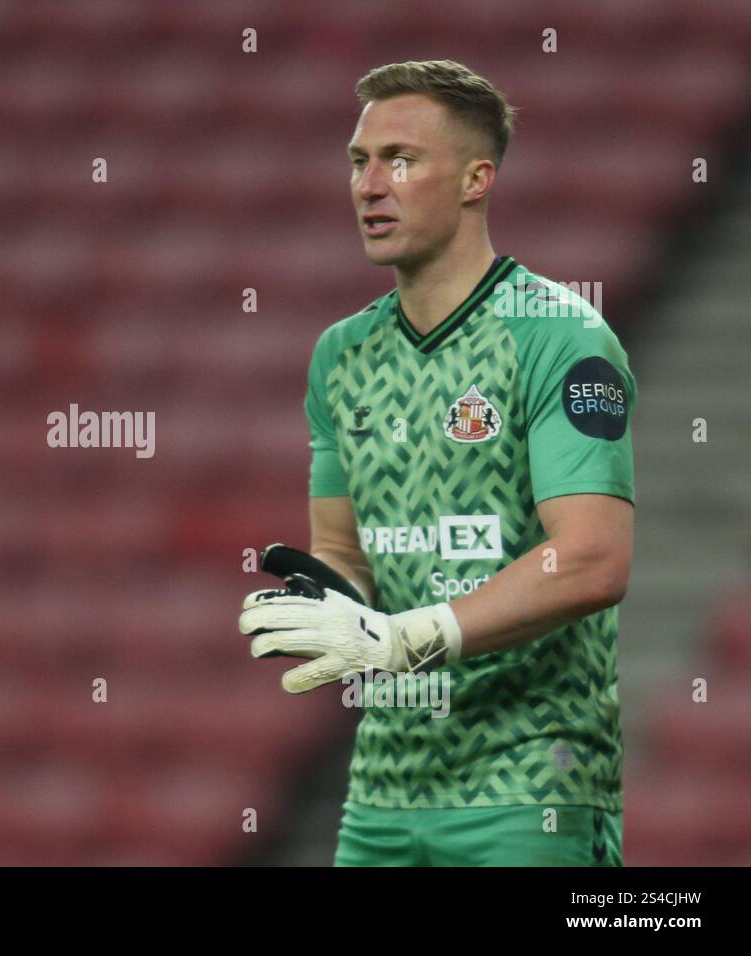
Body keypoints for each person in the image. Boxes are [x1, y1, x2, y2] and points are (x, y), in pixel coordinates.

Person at [239, 60, 635, 866]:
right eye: (360, 161)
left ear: (475, 180)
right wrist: (330, 610)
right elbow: (346, 550)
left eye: (402, 159)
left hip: (531, 785)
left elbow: (591, 559)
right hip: (386, 791)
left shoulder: (560, 336)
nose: (370, 185)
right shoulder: (342, 355)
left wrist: (409, 637)